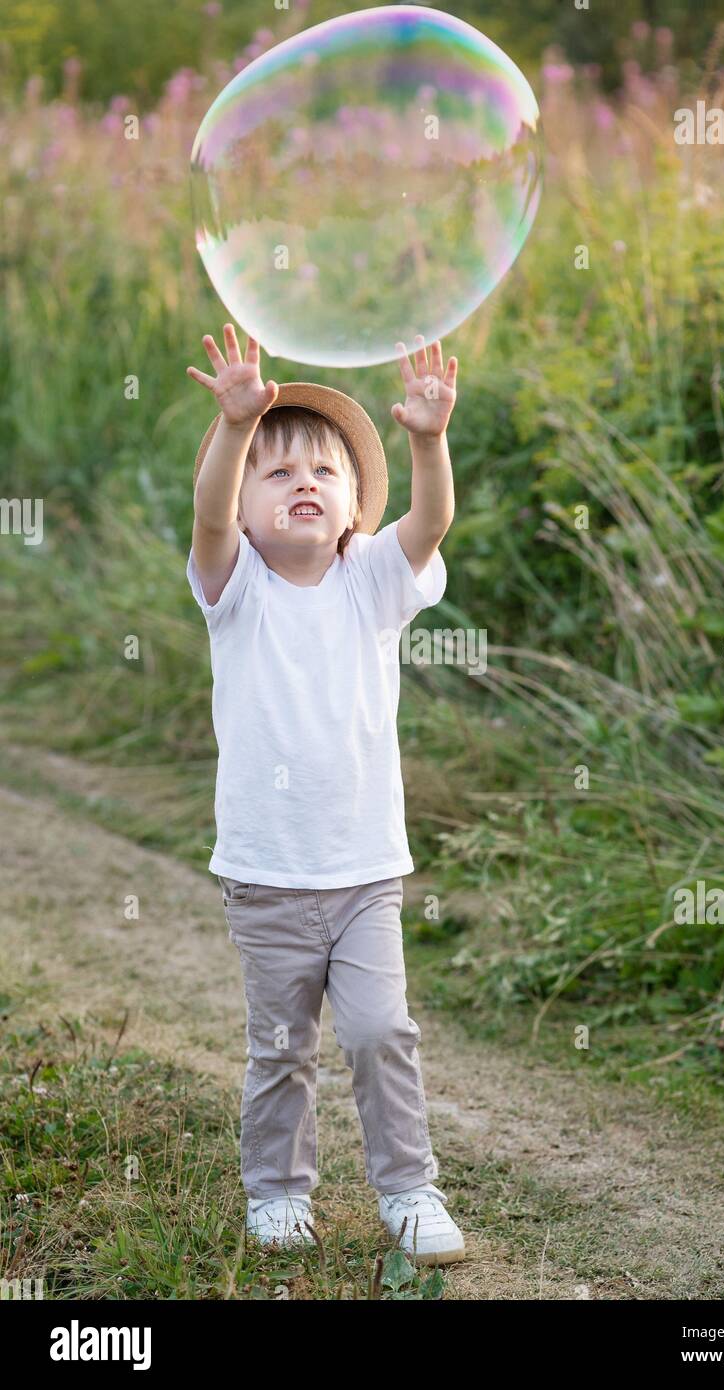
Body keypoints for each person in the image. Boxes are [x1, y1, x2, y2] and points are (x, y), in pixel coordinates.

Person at [185, 323, 464, 1264]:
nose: (303, 483)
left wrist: (428, 440)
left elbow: (428, 526)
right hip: (266, 875)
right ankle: (277, 1192)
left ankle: (409, 1188)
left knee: (383, 1029)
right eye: (277, 473)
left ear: (352, 506)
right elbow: (210, 523)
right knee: (281, 1049)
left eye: (323, 472)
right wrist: (234, 426)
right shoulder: (237, 588)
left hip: (363, 871)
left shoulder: (371, 580)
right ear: (251, 508)